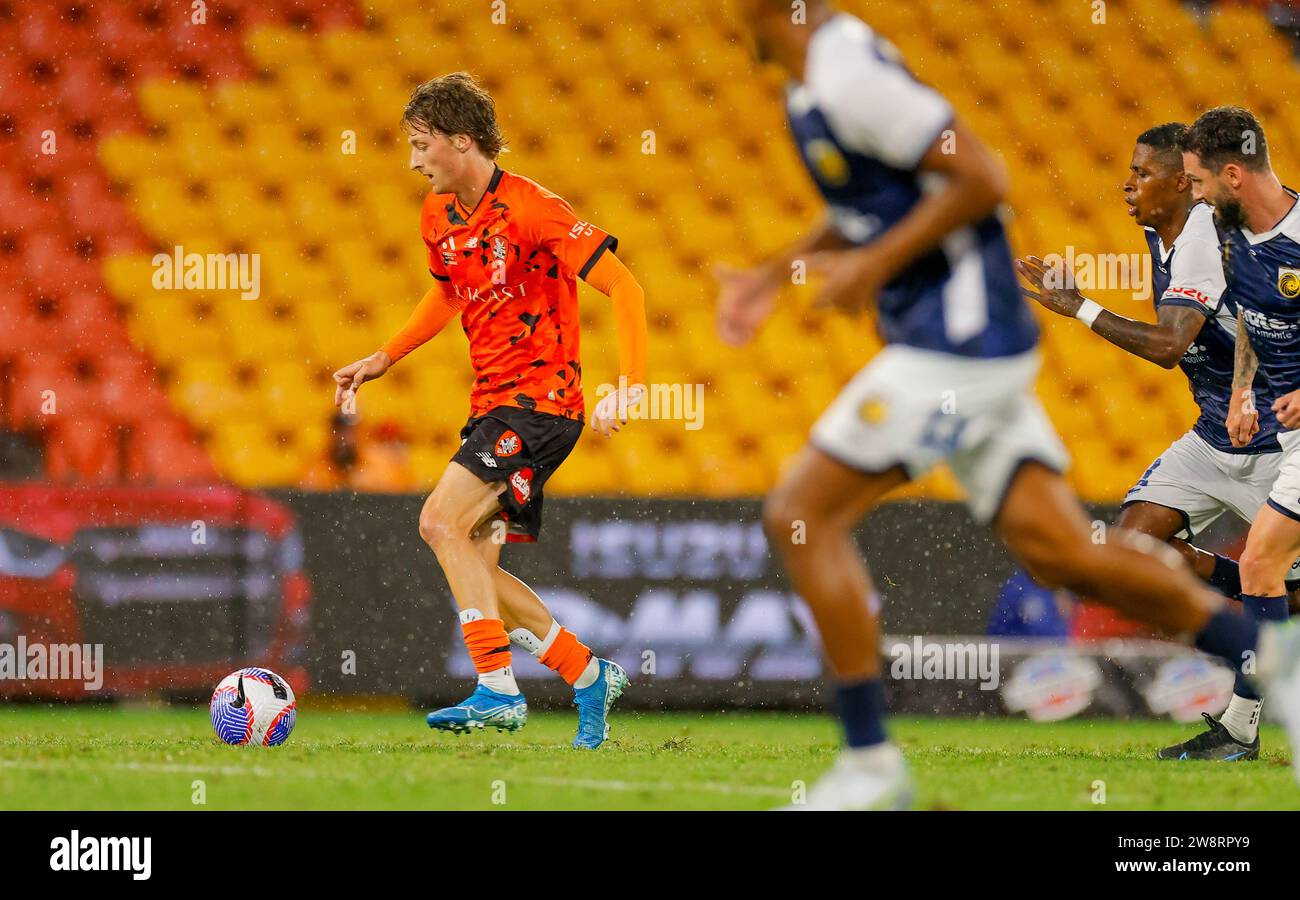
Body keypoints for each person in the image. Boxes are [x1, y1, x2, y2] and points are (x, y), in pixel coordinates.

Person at [717, 2, 1297, 808]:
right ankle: (1267, 654)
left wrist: (869, 267)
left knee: (798, 512)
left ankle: (869, 760)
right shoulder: (810, 80)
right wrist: (778, 270)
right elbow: (872, 208)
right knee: (1070, 557)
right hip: (966, 344)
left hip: (958, 339)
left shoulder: (847, 68)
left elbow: (982, 177)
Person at [332, 73, 648, 749]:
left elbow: (624, 288)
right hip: (493, 407)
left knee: (438, 520)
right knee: (475, 557)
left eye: (422, 145)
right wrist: (386, 356)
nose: (413, 160)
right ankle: (586, 673)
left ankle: (498, 691)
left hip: (542, 406)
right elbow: (448, 293)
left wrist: (633, 384)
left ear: (462, 141)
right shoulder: (438, 217)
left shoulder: (537, 211)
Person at [1018, 123, 1300, 760]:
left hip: (1273, 439)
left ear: (1185, 185)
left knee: (1271, 579)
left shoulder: (1205, 232)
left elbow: (1172, 346)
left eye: (1143, 173)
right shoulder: (1159, 231)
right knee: (1132, 553)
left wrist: (1080, 307)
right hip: (1213, 434)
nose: (1128, 184)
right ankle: (1248, 641)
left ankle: (1241, 722)